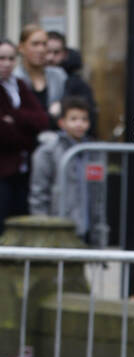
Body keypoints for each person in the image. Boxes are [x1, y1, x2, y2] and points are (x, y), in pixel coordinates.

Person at [0, 35, 49, 234]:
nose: (7, 64)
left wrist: (13, 117)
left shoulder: (18, 85)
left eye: (11, 58)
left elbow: (42, 120)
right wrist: (26, 133)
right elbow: (4, 134)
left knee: (18, 226)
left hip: (21, 169)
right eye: (1, 58)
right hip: (3, 169)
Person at [28, 94, 91, 239]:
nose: (79, 124)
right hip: (57, 226)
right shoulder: (47, 152)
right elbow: (38, 192)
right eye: (73, 119)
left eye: (84, 119)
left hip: (85, 226)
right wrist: (41, 226)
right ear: (61, 122)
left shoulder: (92, 151)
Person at [44, 30, 98, 135]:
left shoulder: (76, 83)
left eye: (56, 52)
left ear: (65, 54)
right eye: (47, 52)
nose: (50, 57)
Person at [14, 24, 66, 129]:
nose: (41, 49)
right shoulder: (14, 78)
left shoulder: (59, 75)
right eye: (35, 44)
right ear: (21, 48)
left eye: (44, 44)